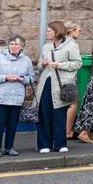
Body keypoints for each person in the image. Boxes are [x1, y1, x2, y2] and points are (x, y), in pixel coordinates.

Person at [0, 34, 34, 157]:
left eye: (16, 44)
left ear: (21, 46)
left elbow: (32, 78)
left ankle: (9, 147)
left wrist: (22, 79)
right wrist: (5, 77)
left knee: (12, 125)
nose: (13, 46)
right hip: (0, 98)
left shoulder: (26, 60)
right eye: (11, 44)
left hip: (16, 98)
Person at [34, 21, 80, 154]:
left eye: (49, 31)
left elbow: (77, 63)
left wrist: (58, 64)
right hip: (45, 84)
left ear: (57, 31)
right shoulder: (46, 47)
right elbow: (38, 64)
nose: (47, 33)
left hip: (61, 84)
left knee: (59, 114)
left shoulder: (71, 46)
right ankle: (44, 144)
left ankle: (60, 144)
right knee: (44, 114)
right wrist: (42, 64)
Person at [62, 21, 82, 140]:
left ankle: (65, 130)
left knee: (66, 104)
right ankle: (68, 131)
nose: (80, 33)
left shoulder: (60, 42)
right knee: (73, 103)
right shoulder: (71, 43)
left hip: (60, 78)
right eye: (78, 30)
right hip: (68, 78)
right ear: (71, 31)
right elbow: (76, 62)